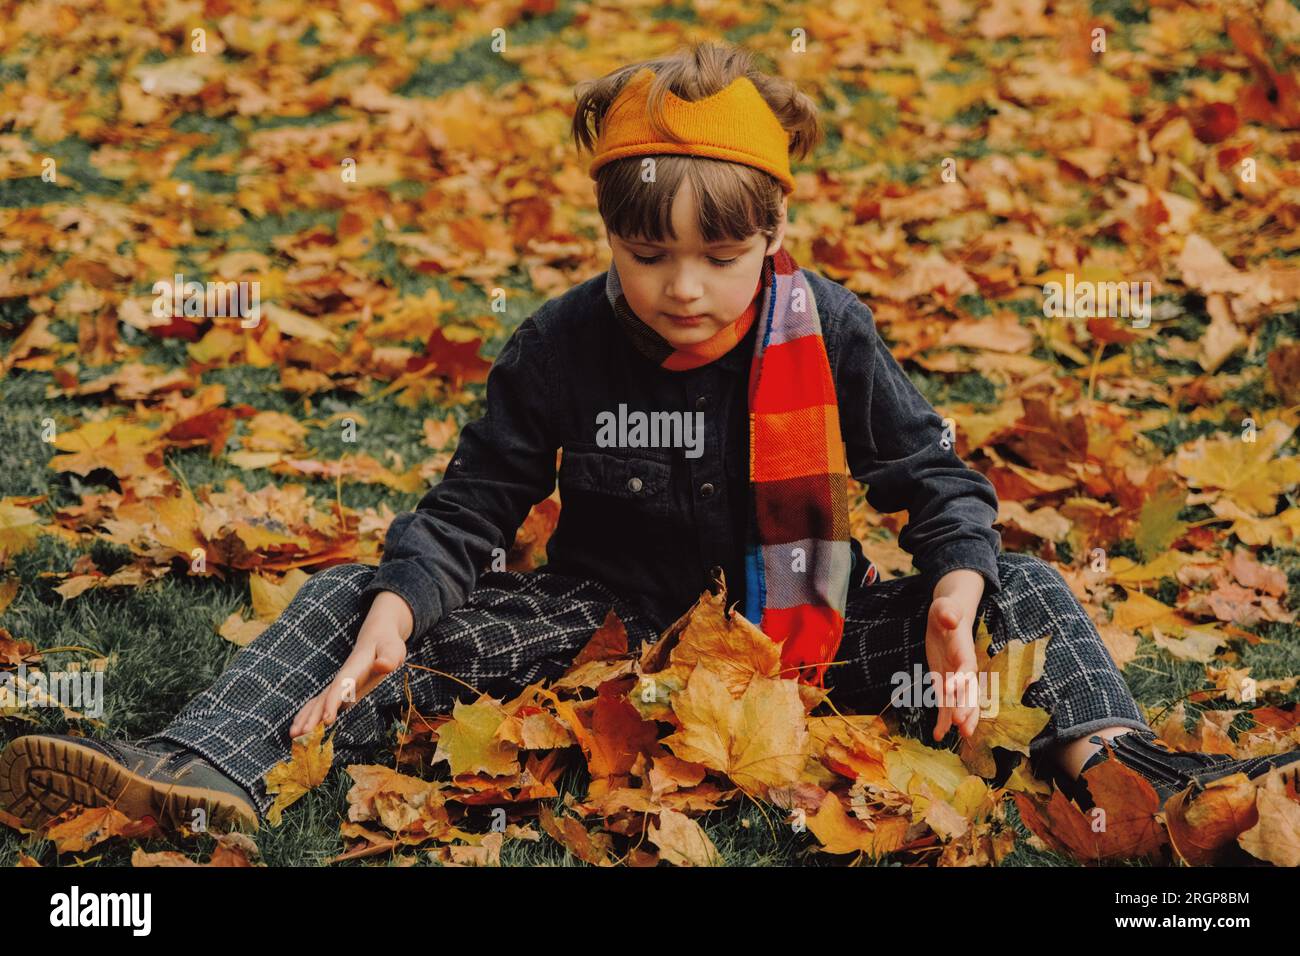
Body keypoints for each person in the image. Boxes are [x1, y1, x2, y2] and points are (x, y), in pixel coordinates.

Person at [3, 41, 1297, 841]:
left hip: (810, 637)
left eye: (721, 257)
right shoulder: (562, 344)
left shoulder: (826, 328)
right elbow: (471, 508)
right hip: (597, 627)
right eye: (647, 253)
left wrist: (954, 589)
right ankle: (189, 768)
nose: (684, 287)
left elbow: (932, 481)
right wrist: (408, 598)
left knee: (1018, 583)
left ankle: (1137, 782)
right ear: (605, 238)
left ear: (771, 240)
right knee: (357, 602)